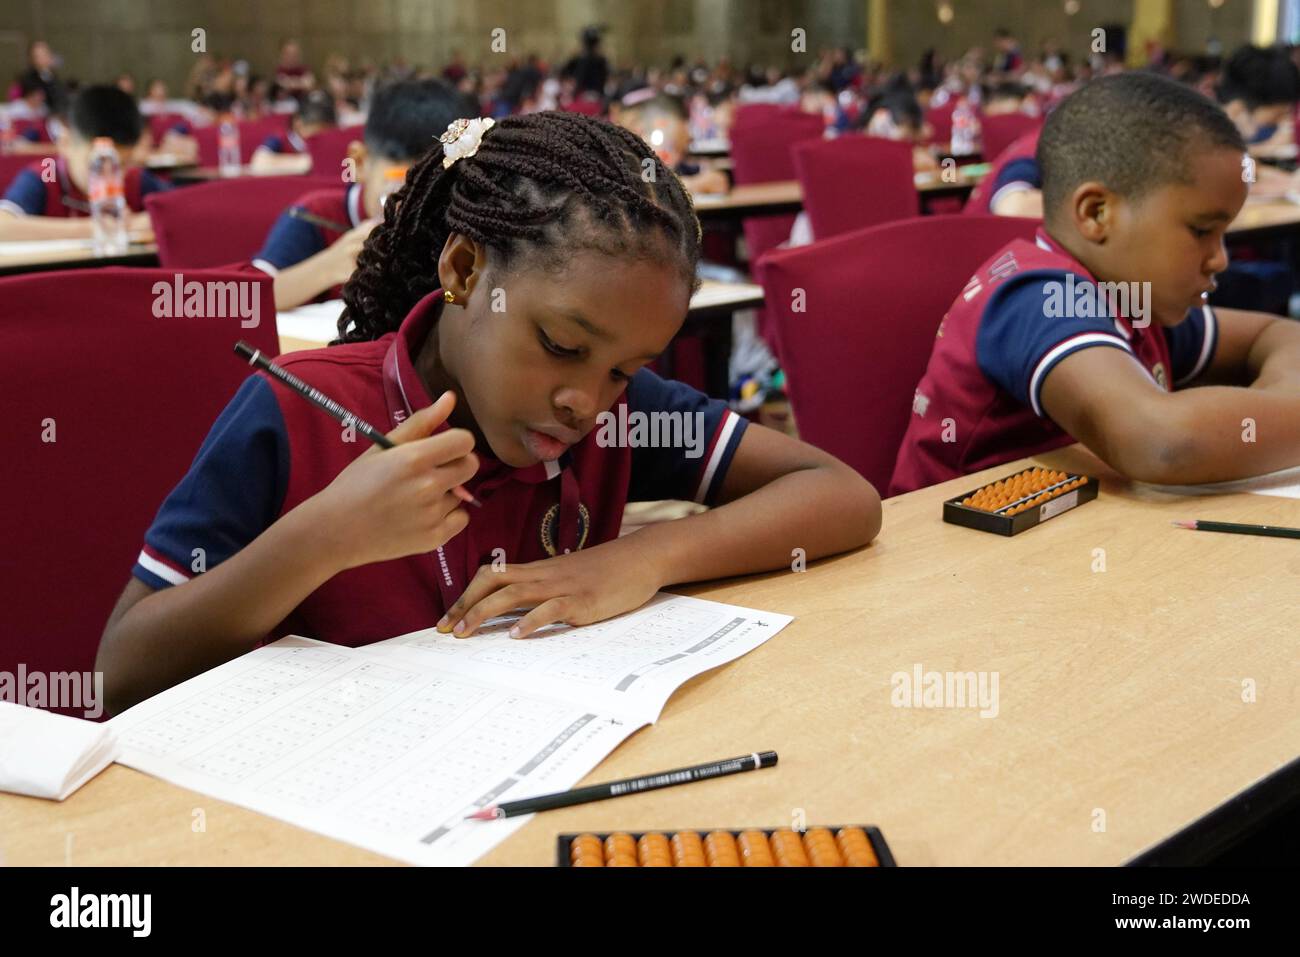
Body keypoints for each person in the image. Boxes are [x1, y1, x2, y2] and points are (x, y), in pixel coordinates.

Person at [97, 110, 882, 715]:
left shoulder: (616, 410)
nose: (586, 401)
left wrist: (643, 557)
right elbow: (120, 670)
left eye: (626, 370)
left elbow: (843, 496)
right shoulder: (299, 412)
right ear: (465, 267)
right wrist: (322, 538)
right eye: (559, 343)